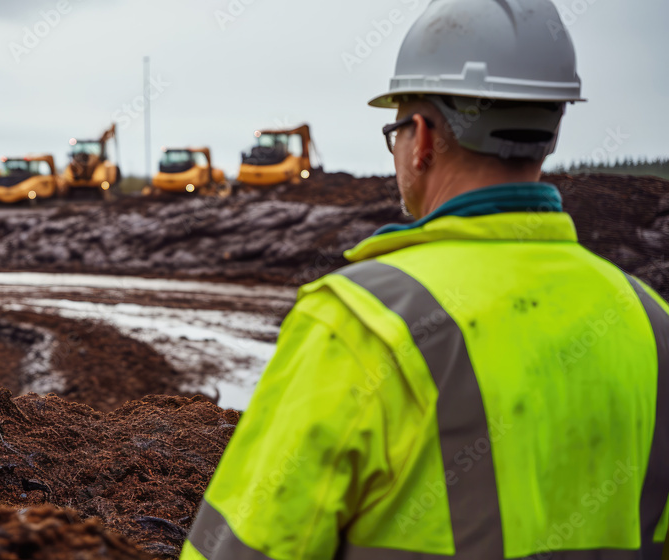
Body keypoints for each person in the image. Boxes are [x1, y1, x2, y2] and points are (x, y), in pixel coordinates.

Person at [181, 0, 669, 558]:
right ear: (550, 128)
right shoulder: (652, 324)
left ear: (423, 138)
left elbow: (247, 548)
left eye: (396, 132)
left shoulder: (360, 323)